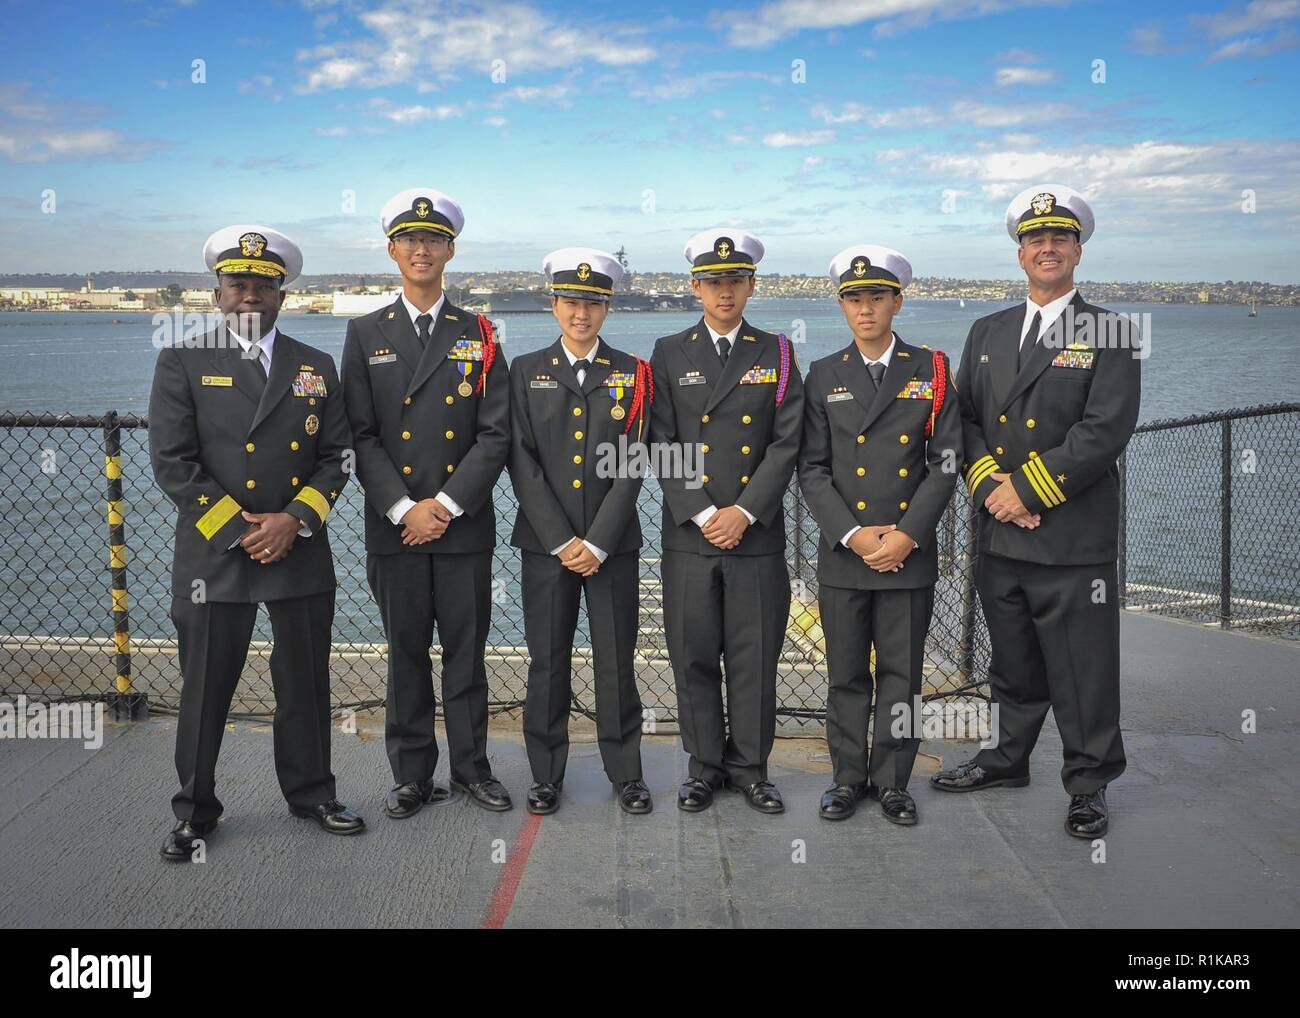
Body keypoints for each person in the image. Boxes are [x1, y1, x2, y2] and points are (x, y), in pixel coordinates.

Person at [931, 185, 1141, 839]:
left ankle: (1088, 784)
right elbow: (962, 419)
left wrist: (1027, 489)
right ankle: (1007, 759)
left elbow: (1104, 430)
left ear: (1079, 249)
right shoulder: (987, 330)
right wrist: (995, 487)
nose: (1047, 248)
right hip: (1001, 532)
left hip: (1071, 536)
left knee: (1082, 668)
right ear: (1019, 253)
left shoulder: (1111, 331)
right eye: (1034, 239)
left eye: (1060, 238)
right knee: (1013, 663)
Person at [150, 224, 362, 861]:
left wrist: (292, 520)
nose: (249, 295)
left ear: (282, 295)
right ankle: (194, 810)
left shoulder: (315, 366)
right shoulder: (182, 360)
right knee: (206, 684)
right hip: (216, 552)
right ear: (216, 293)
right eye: (237, 283)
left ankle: (312, 793)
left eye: (262, 286)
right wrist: (245, 528)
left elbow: (337, 456)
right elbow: (172, 461)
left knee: (304, 681)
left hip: (296, 545)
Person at [341, 188, 512, 817]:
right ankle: (412, 774)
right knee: (405, 655)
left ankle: (472, 769)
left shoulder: (481, 332)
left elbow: (496, 432)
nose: (422, 249)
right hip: (396, 528)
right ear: (392, 251)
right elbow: (358, 434)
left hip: (460, 526)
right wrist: (403, 508)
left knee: (466, 657)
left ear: (451, 251)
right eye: (410, 240)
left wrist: (442, 504)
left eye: (434, 240)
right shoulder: (364, 334)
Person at [799, 245, 960, 824]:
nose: (864, 310)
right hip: (847, 555)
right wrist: (853, 535)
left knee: (901, 674)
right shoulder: (823, 374)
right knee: (844, 672)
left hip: (906, 553)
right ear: (842, 306)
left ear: (897, 300)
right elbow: (812, 468)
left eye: (876, 298)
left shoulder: (933, 369)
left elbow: (945, 462)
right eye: (853, 299)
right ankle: (846, 779)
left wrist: (907, 535)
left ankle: (893, 781)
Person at [649, 228, 805, 814]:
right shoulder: (668, 352)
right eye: (713, 282)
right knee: (692, 656)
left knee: (753, 657)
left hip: (755, 533)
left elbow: (787, 442)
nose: (724, 292)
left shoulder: (778, 351)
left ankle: (751, 768)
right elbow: (660, 441)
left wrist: (742, 511)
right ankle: (703, 768)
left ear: (751, 286)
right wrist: (705, 511)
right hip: (691, 535)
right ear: (696, 287)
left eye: (735, 281)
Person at [508, 247, 654, 816]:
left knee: (617, 660)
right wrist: (562, 539)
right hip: (546, 547)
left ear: (608, 307)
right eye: (571, 302)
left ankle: (627, 774)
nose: (581, 314)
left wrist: (596, 541)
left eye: (593, 303)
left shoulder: (634, 373)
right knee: (548, 661)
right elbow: (522, 462)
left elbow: (635, 461)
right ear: (553, 305)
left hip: (612, 546)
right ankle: (546, 774)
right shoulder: (525, 371)